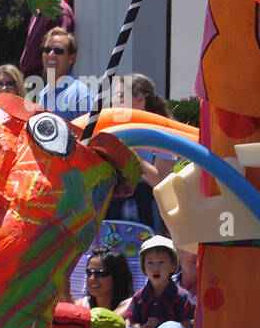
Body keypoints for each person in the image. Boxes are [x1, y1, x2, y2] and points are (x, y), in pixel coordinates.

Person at [106, 74, 174, 232]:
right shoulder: (112, 130)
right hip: (113, 206)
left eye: (121, 96)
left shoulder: (162, 133)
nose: (115, 102)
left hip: (146, 208)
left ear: (140, 100)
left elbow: (160, 181)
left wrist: (131, 154)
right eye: (114, 97)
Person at [17, 0, 74, 79]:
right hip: (33, 76)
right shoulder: (40, 9)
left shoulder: (60, 11)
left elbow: (60, 51)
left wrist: (49, 81)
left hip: (44, 78)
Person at [36, 27, 92, 124]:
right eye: (47, 49)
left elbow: (92, 136)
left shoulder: (81, 94)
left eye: (58, 51)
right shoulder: (44, 94)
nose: (51, 54)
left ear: (71, 59)